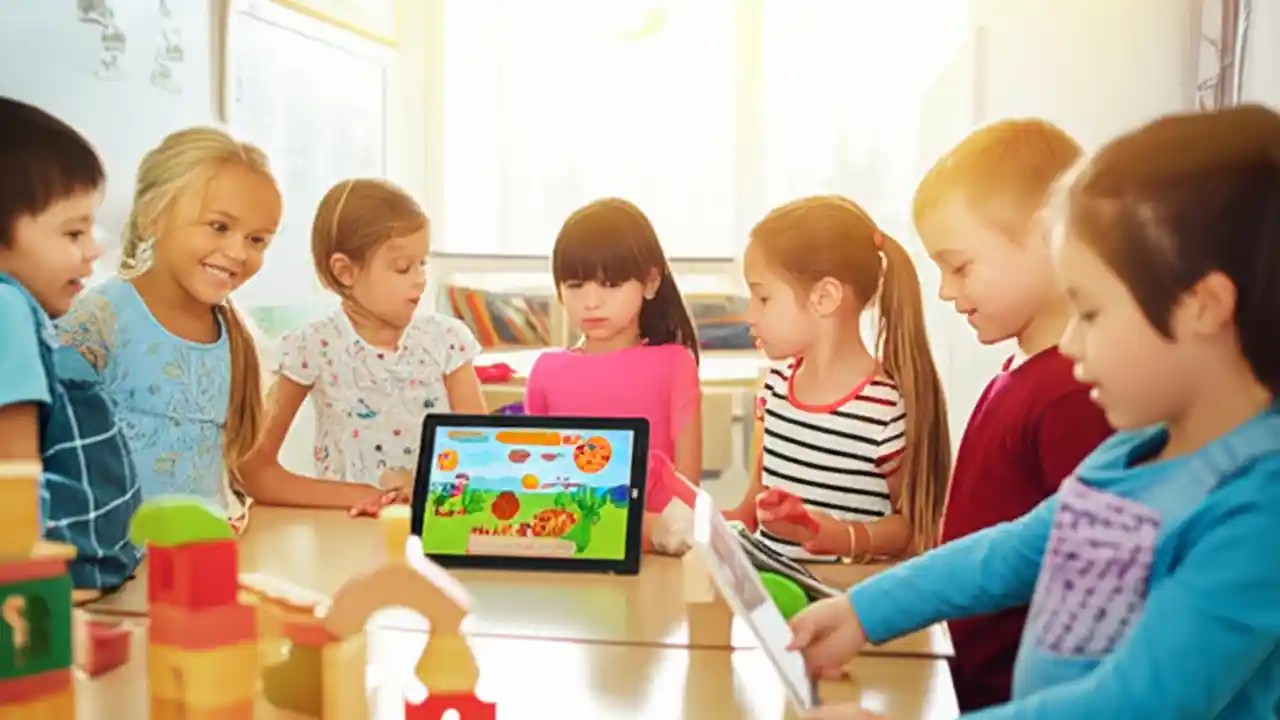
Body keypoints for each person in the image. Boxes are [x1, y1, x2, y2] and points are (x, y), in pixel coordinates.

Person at [789, 105, 1280, 720]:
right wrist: (863, 610)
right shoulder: (1133, 450)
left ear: (1203, 307)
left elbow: (1140, 703)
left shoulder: (1259, 506)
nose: (1070, 344)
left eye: (1093, 312)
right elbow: (1014, 551)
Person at [912, 119, 1114, 708]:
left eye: (961, 266)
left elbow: (1089, 584)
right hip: (974, 685)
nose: (948, 293)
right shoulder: (1018, 375)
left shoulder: (1074, 394)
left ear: (1046, 235)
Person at [58, 127, 281, 530]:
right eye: (218, 226)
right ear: (152, 216)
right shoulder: (102, 319)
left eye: (257, 240)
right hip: (115, 571)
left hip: (200, 562)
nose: (237, 252)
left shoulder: (234, 336)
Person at [726, 196, 951, 562]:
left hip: (843, 605)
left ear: (825, 297)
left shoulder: (884, 409)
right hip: (778, 601)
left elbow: (912, 529)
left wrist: (835, 536)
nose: (749, 315)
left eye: (762, 297)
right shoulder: (775, 386)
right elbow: (752, 510)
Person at [240, 178, 486, 509]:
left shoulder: (447, 342)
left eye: (422, 263)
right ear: (345, 272)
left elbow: (481, 457)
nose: (420, 279)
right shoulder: (312, 347)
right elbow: (255, 471)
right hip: (344, 534)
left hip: (432, 533)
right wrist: (366, 497)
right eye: (402, 268)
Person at [0, 97, 141, 591]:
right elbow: (13, 493)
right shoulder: (7, 309)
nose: (95, 247)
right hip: (56, 588)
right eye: (73, 231)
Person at [523, 198, 702, 552]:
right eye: (575, 285)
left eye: (610, 284)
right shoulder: (545, 371)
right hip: (567, 548)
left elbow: (688, 494)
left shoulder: (675, 364)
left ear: (650, 282)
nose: (591, 302)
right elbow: (533, 485)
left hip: (657, 553)